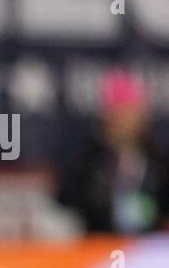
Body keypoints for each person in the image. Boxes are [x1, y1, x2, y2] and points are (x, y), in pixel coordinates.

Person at [56, 70, 169, 235]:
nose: (127, 121)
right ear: (107, 117)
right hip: (100, 250)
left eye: (133, 113)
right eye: (120, 113)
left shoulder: (159, 164)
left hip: (148, 253)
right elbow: (66, 200)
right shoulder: (89, 163)